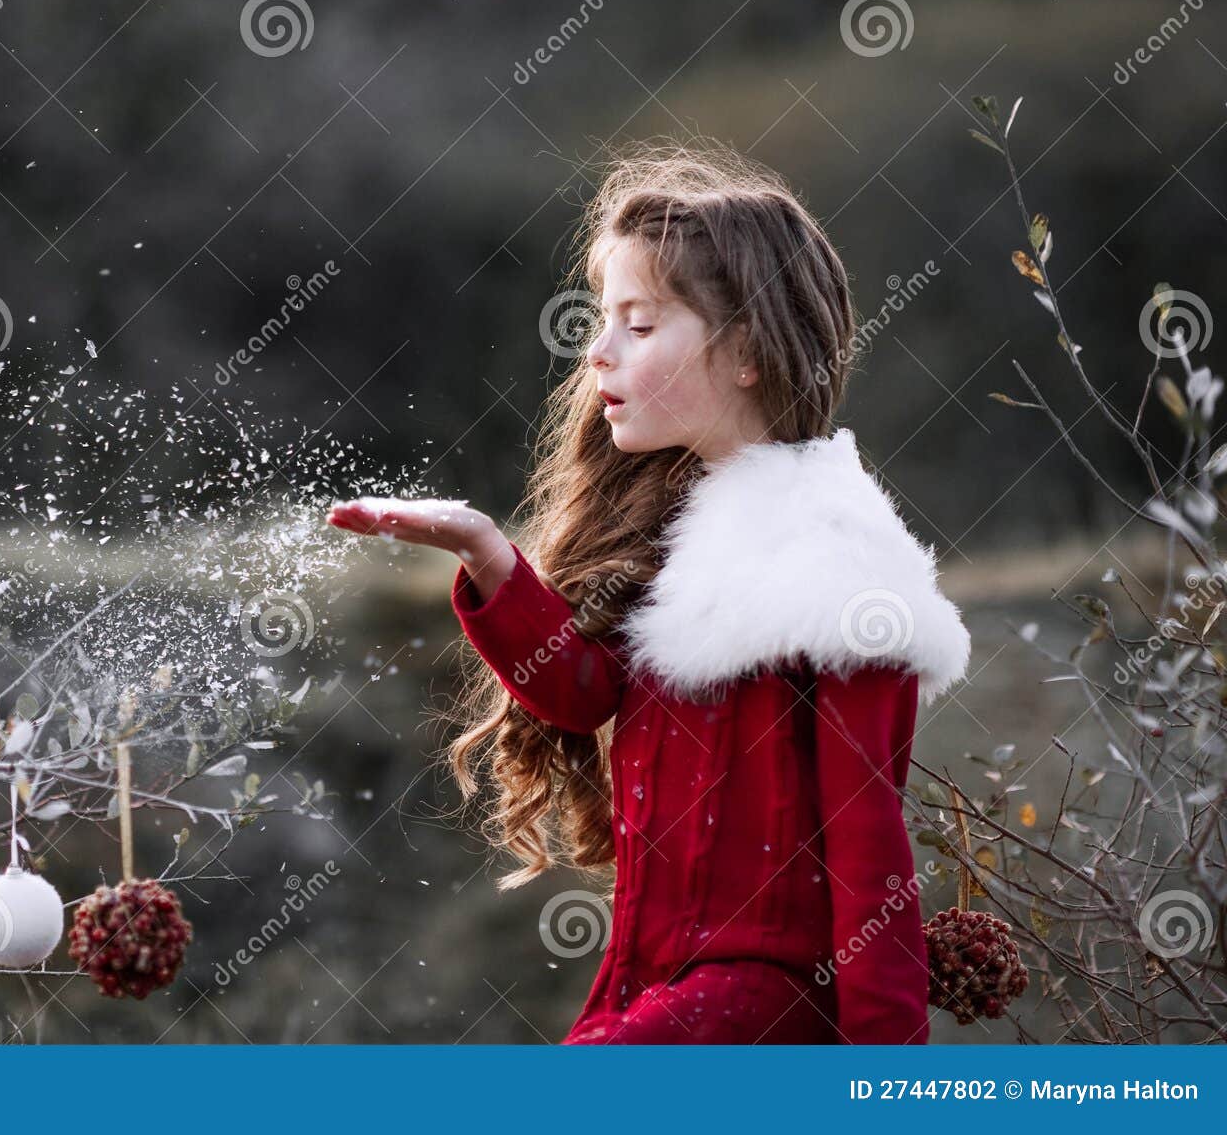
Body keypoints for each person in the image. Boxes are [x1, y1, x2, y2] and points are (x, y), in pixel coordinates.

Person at [327, 141, 971, 1045]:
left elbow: (871, 855)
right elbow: (584, 692)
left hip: (757, 1010)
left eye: (637, 324)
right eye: (603, 319)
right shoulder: (686, 539)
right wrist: (484, 553)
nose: (595, 353)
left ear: (745, 352)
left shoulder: (839, 569)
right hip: (647, 988)